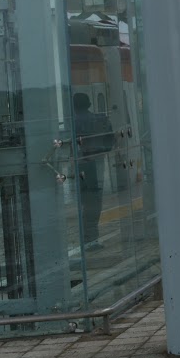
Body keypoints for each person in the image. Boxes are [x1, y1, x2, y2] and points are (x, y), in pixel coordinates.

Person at [73, 93, 114, 251]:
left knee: (85, 202)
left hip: (80, 165)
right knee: (95, 202)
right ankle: (92, 239)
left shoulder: (73, 123)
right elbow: (110, 140)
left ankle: (87, 240)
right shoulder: (101, 119)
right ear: (89, 104)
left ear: (74, 106)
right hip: (97, 163)